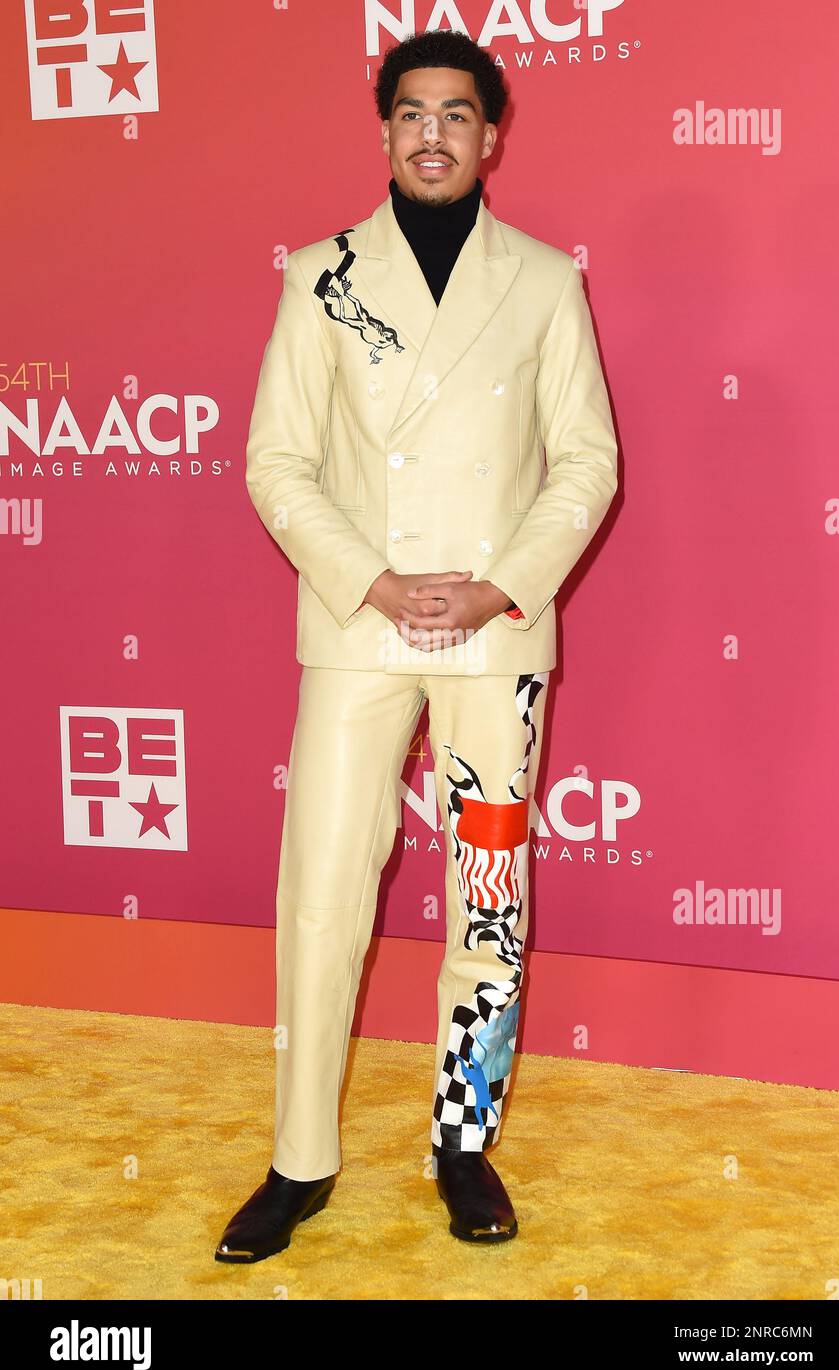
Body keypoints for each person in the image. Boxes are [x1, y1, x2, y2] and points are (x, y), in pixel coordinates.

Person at [215, 27, 618, 1264]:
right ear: (384, 130)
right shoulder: (318, 276)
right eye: (409, 113)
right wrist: (376, 580)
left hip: (494, 642)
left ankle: (462, 1142)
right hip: (358, 631)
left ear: (491, 134)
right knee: (321, 889)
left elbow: (586, 462)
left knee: (486, 899)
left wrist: (494, 587)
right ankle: (298, 1158)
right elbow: (274, 462)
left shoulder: (546, 282)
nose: (432, 132)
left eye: (456, 113)